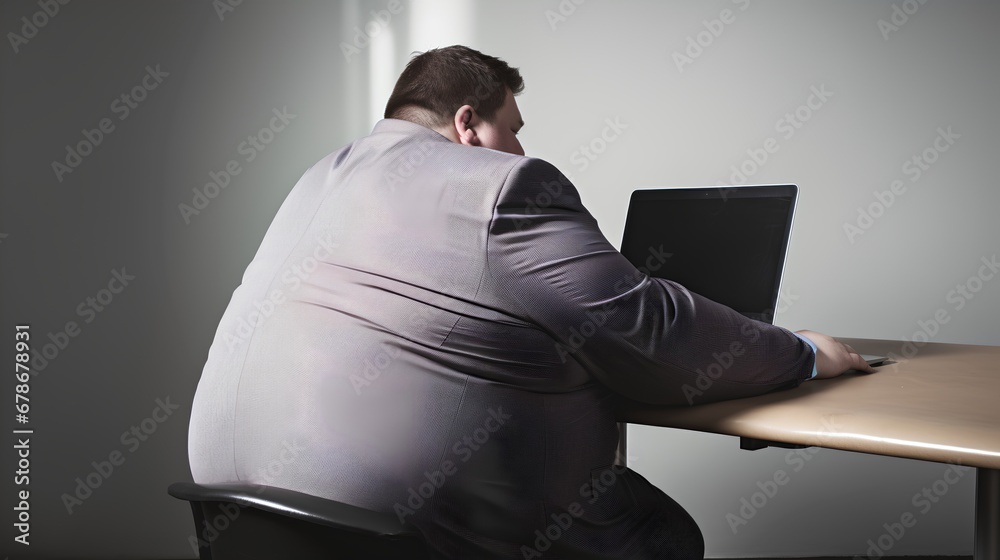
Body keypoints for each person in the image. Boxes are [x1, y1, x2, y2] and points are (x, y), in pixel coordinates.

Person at [187, 45, 873, 559]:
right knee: (660, 532)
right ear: (468, 124)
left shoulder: (320, 178)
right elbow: (652, 329)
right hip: (395, 532)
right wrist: (803, 354)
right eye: (513, 127)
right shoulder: (500, 187)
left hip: (240, 517)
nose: (520, 148)